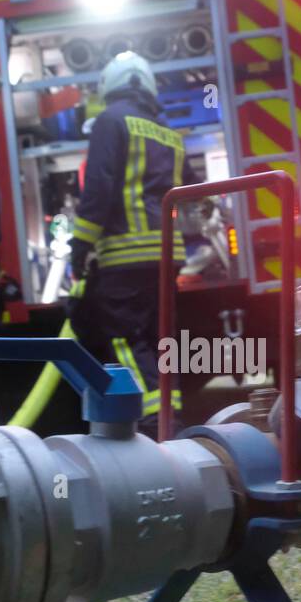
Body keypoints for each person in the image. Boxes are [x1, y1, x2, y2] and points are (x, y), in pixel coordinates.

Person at [69, 51, 195, 438]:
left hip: (124, 256)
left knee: (123, 338)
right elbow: (190, 187)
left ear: (110, 87)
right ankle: (169, 420)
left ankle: (148, 416)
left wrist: (80, 246)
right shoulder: (168, 132)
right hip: (166, 257)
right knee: (161, 341)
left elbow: (99, 189)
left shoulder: (110, 121)